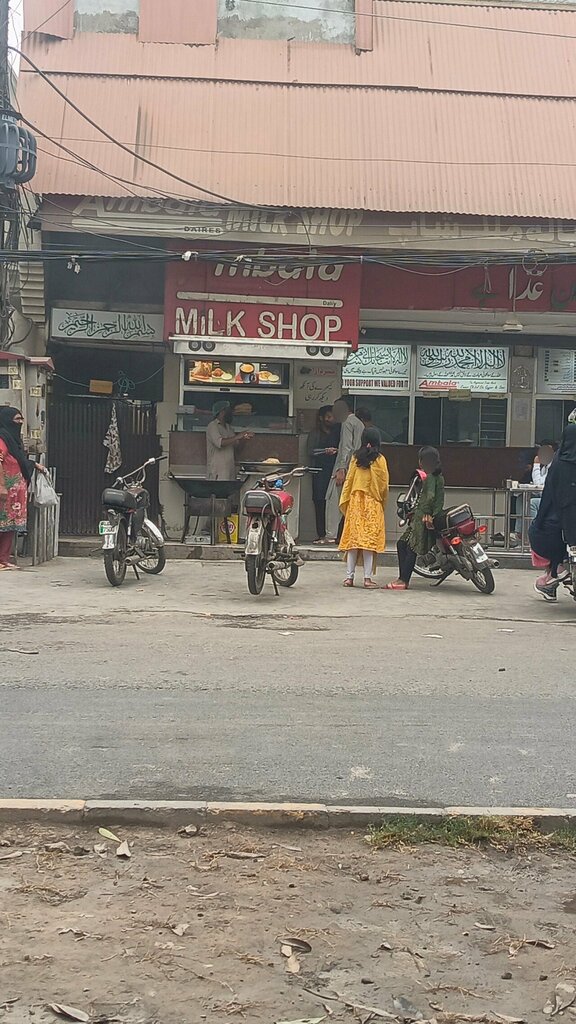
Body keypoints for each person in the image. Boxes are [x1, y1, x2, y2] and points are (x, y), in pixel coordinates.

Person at [385, 446, 445, 591]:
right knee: (402, 544)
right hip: (425, 516)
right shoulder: (439, 477)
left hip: (423, 518)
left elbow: (430, 497)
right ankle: (402, 578)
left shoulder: (430, 477)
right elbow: (437, 500)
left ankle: (403, 580)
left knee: (410, 547)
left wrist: (427, 515)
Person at [339, 427, 389, 589]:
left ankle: (349, 578)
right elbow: (383, 485)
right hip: (372, 504)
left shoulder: (355, 458)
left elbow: (349, 480)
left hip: (355, 502)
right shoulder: (380, 460)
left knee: (353, 541)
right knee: (369, 543)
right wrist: (382, 502)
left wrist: (345, 500)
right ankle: (367, 579)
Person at [0, 407, 47, 570]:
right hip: (4, 493)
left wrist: (33, 464)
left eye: (21, 419)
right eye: (16, 419)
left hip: (15, 495)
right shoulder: (2, 439)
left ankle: (3, 559)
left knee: (10, 526)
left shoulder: (13, 441)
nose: (20, 422)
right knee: (1, 524)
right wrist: (1, 487)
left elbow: (18, 460)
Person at [325, 396, 365, 542]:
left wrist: (341, 468)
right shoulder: (358, 423)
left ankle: (332, 535)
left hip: (345, 467)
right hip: (355, 467)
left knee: (334, 500)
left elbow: (347, 447)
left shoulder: (347, 422)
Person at [530, 458, 568, 602]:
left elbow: (547, 495)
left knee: (537, 532)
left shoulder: (560, 464)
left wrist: (539, 521)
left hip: (558, 523)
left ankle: (555, 571)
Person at [307, 405, 340, 544]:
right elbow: (310, 451)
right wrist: (325, 451)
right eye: (328, 416)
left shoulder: (338, 433)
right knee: (320, 502)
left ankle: (335, 534)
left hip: (334, 472)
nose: (331, 419)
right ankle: (321, 534)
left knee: (334, 504)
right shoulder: (315, 433)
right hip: (319, 472)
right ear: (321, 418)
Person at [205, 401, 253, 480]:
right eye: (228, 411)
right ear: (222, 412)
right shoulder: (213, 426)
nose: (231, 413)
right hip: (217, 472)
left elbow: (237, 449)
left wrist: (244, 439)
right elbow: (220, 443)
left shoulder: (229, 428)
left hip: (229, 471)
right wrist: (238, 436)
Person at [530, 440, 558, 520]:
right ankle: (519, 530)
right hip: (543, 495)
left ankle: (534, 528)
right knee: (521, 498)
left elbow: (538, 484)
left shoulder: (553, 466)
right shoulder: (544, 467)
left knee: (532, 503)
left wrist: (536, 465)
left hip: (552, 500)